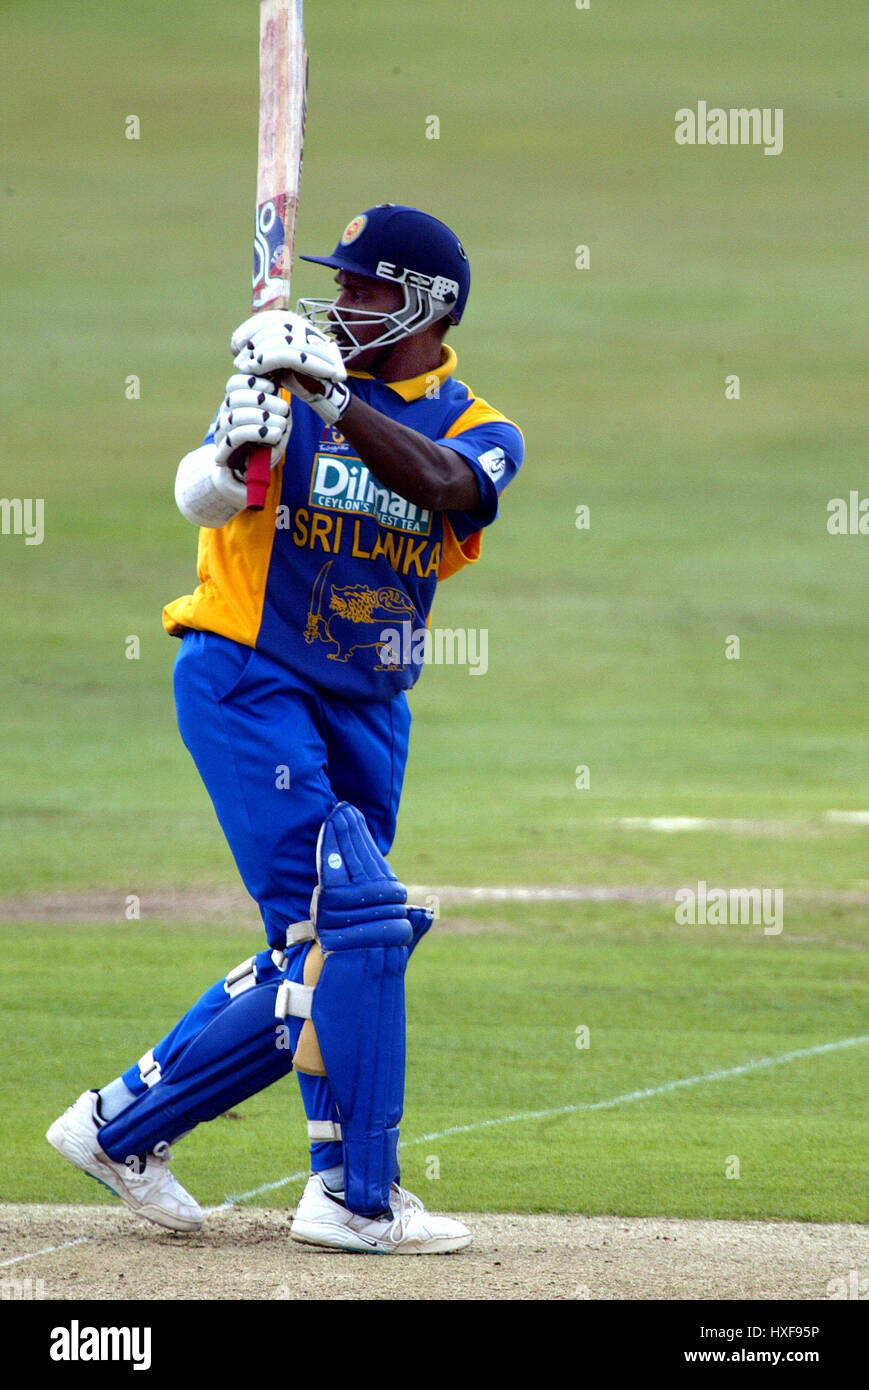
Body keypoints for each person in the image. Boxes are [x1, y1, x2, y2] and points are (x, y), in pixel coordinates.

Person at [47, 204, 523, 1254]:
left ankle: (120, 1125)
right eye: (337, 282)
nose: (340, 301)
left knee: (339, 942)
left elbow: (450, 490)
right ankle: (353, 1196)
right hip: (247, 673)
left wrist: (334, 402)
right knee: (348, 918)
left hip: (366, 700)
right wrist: (237, 446)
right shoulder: (280, 381)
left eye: (365, 289)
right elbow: (203, 495)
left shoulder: (477, 425)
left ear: (427, 307)